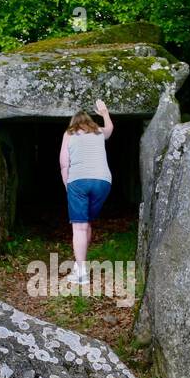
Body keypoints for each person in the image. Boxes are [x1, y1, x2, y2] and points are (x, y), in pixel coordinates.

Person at [59, 99, 113, 285]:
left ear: (73, 123)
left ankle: (81, 274)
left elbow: (64, 163)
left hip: (79, 180)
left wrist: (68, 185)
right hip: (103, 182)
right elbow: (110, 129)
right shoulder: (98, 131)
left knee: (79, 227)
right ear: (89, 121)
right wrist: (104, 113)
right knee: (87, 222)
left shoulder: (69, 133)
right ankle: (79, 264)